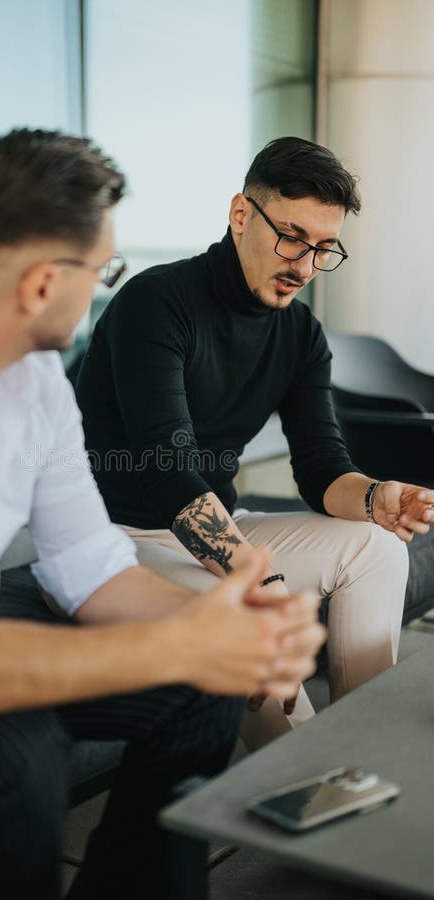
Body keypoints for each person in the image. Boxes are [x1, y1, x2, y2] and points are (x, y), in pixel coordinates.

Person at [0, 129, 325, 900]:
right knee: (17, 748)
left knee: (208, 687)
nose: (104, 286)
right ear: (39, 284)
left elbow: (87, 564)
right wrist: (180, 644)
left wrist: (229, 623)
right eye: (102, 271)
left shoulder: (34, 379)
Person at [76, 136, 434, 747]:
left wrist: (378, 498)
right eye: (292, 236)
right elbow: (169, 470)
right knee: (252, 622)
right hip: (116, 541)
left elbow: (322, 468)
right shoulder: (156, 302)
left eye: (323, 249)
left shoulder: (300, 333)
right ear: (242, 214)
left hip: (215, 528)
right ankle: (309, 784)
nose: (303, 264)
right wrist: (258, 581)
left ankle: (360, 752)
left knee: (377, 548)